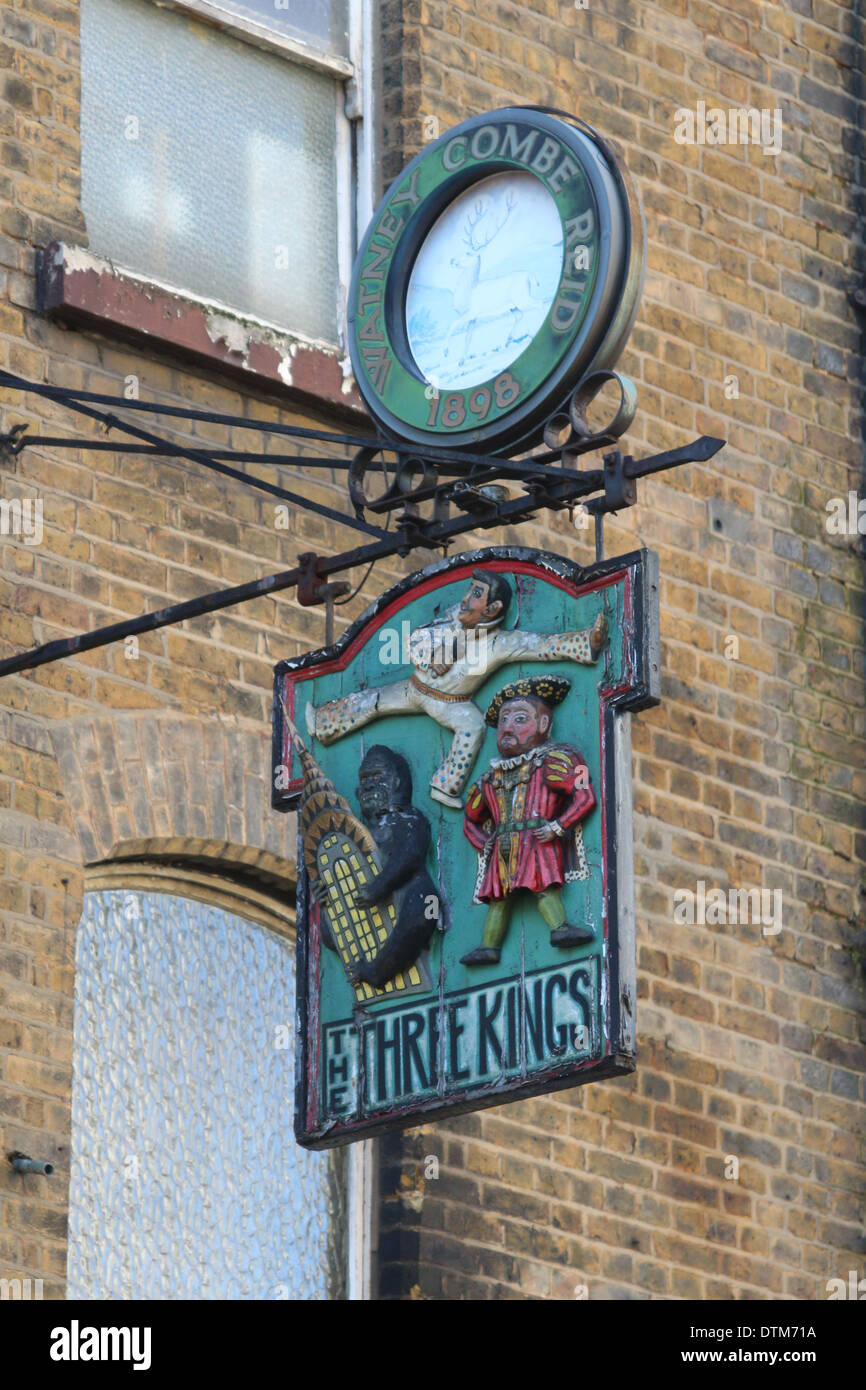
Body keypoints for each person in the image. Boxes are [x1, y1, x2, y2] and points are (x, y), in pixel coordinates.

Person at [305, 569, 607, 809]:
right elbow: (418, 639)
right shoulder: (452, 619)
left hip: (451, 703)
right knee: (371, 700)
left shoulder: (501, 643)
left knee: (473, 725)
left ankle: (445, 785)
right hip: (416, 688)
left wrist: (586, 642)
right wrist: (431, 656)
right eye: (469, 591)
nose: (465, 599)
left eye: (475, 594)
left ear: (493, 607)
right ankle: (323, 722)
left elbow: (542, 646)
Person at [461, 675, 596, 965]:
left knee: (543, 887)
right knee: (498, 899)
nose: (507, 727)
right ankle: (488, 946)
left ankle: (559, 929)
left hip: (537, 839)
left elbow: (584, 797)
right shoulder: (489, 778)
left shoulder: (552, 761)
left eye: (520, 719)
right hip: (504, 845)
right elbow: (469, 819)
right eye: (503, 721)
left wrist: (557, 827)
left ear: (544, 725)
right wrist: (484, 844)